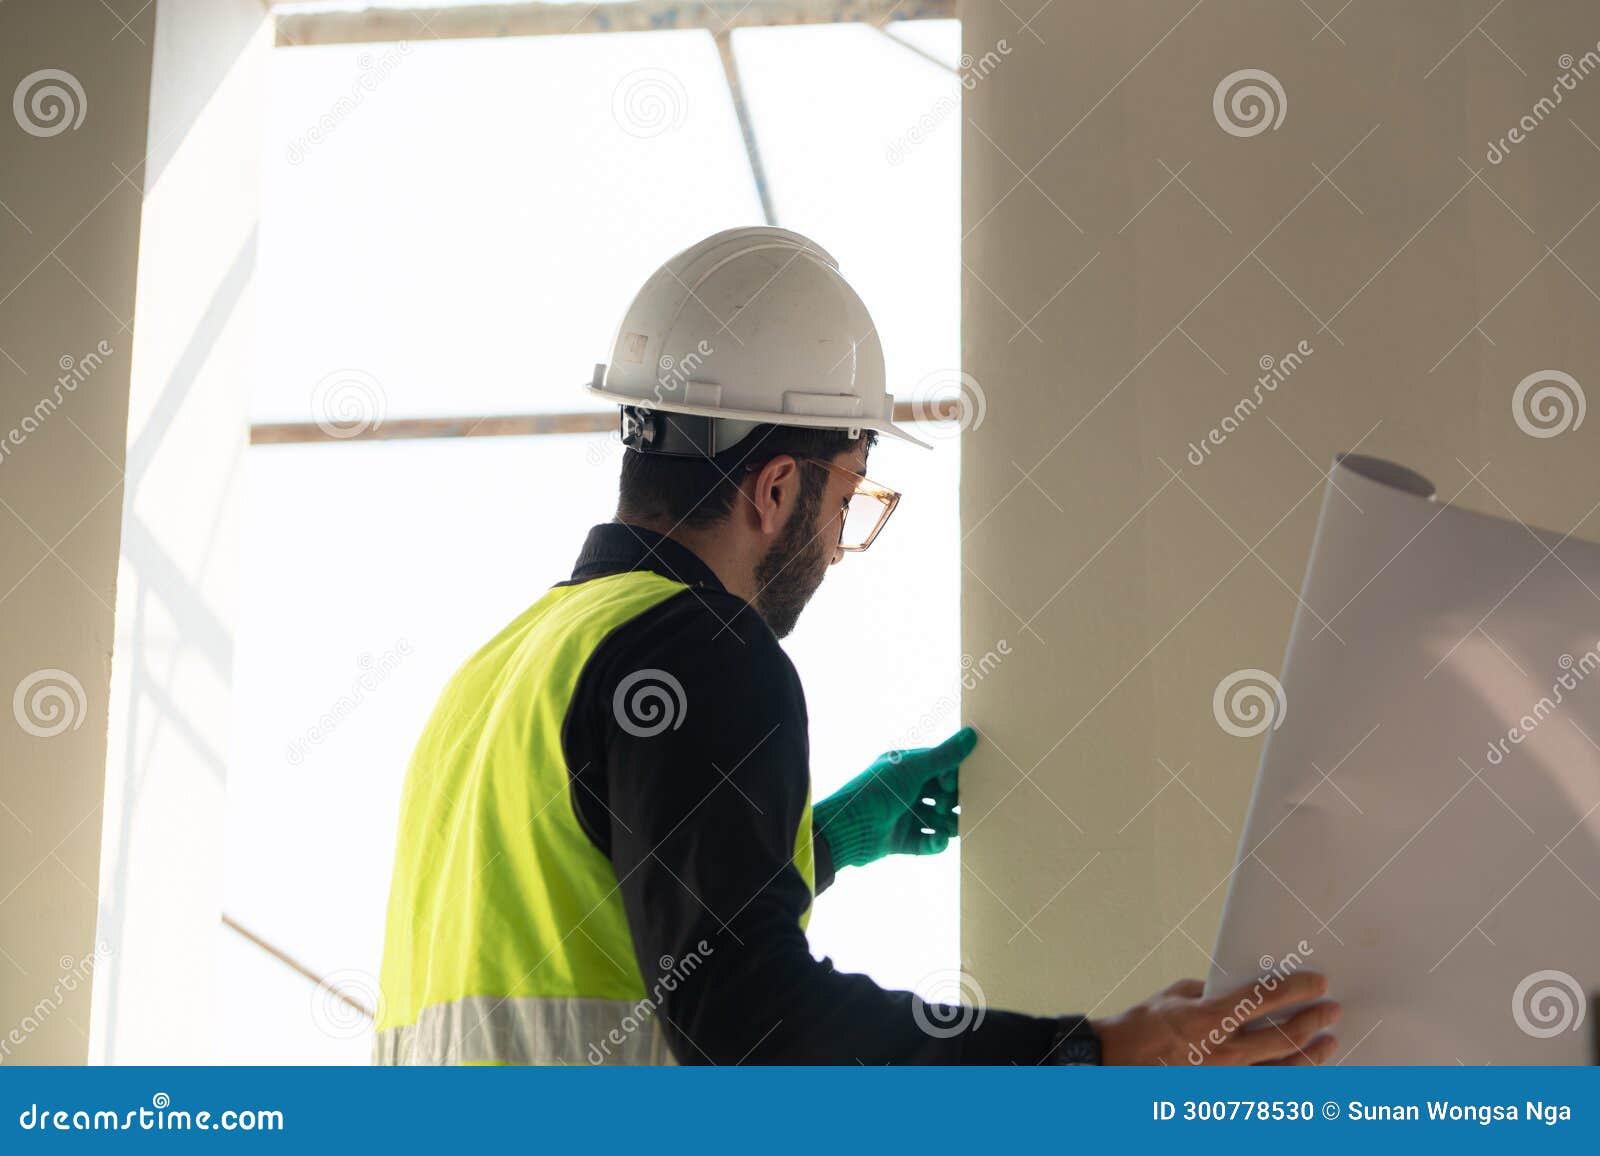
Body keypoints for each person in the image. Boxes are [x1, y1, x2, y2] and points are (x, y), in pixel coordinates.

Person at [373, 227, 1340, 1065]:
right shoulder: (706, 650)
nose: (838, 547)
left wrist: (821, 841)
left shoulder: (505, 670)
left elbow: (602, 922)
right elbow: (753, 1025)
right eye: (847, 502)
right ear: (777, 489)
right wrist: (1089, 1052)